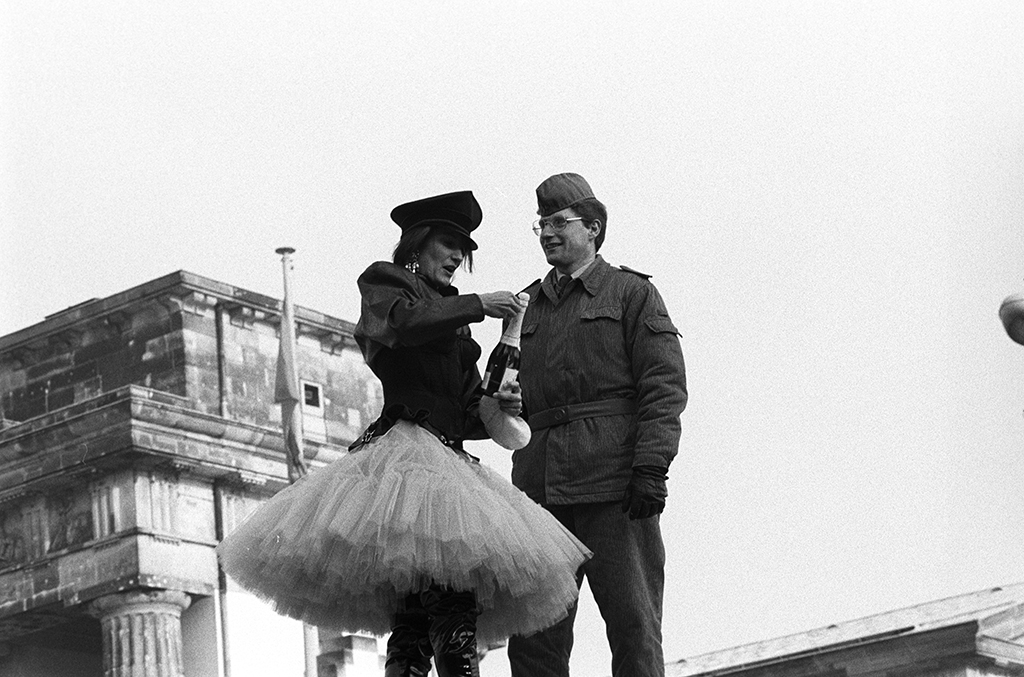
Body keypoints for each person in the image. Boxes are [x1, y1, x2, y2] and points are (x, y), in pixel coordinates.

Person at [217, 190, 591, 677]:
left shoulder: (456, 318)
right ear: (418, 245)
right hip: (401, 460)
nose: (458, 256)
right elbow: (402, 324)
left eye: (464, 248)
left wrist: (498, 408)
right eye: (449, 243)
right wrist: (480, 303)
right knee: (417, 623)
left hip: (448, 463)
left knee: (443, 616)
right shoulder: (385, 283)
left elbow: (464, 409)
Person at [506, 173, 688, 677]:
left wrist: (651, 467)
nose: (546, 232)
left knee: (634, 631)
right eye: (540, 223)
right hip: (539, 497)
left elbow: (664, 387)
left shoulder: (632, 294)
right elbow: (499, 395)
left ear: (593, 228)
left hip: (615, 491)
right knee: (533, 644)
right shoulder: (523, 306)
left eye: (559, 222)